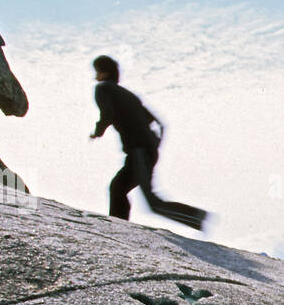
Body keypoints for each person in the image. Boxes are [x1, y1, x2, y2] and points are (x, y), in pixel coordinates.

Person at [88, 55, 208, 231]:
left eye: (97, 72)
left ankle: (195, 216)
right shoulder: (128, 94)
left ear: (104, 73)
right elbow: (157, 123)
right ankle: (119, 227)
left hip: (139, 150)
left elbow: (108, 113)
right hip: (144, 151)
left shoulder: (103, 88)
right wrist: (153, 145)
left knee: (152, 202)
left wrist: (98, 132)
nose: (95, 76)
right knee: (118, 188)